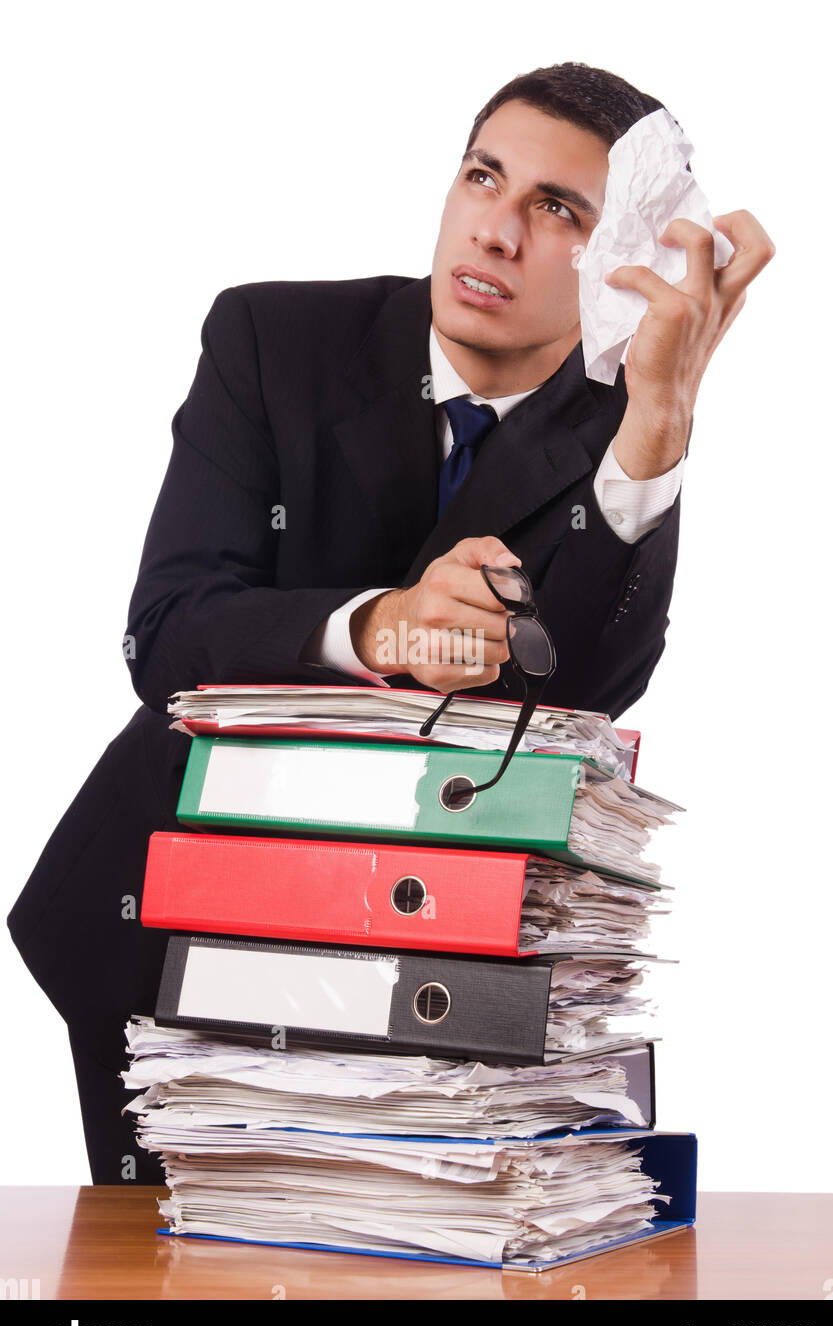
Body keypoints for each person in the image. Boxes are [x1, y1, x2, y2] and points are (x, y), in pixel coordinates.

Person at [7, 61, 774, 1184]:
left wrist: (660, 421)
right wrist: (378, 630)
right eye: (483, 179)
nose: (497, 233)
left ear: (627, 259)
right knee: (182, 1267)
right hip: (171, 926)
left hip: (437, 945)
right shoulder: (274, 340)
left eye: (558, 211)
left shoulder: (618, 420)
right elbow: (170, 633)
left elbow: (581, 699)